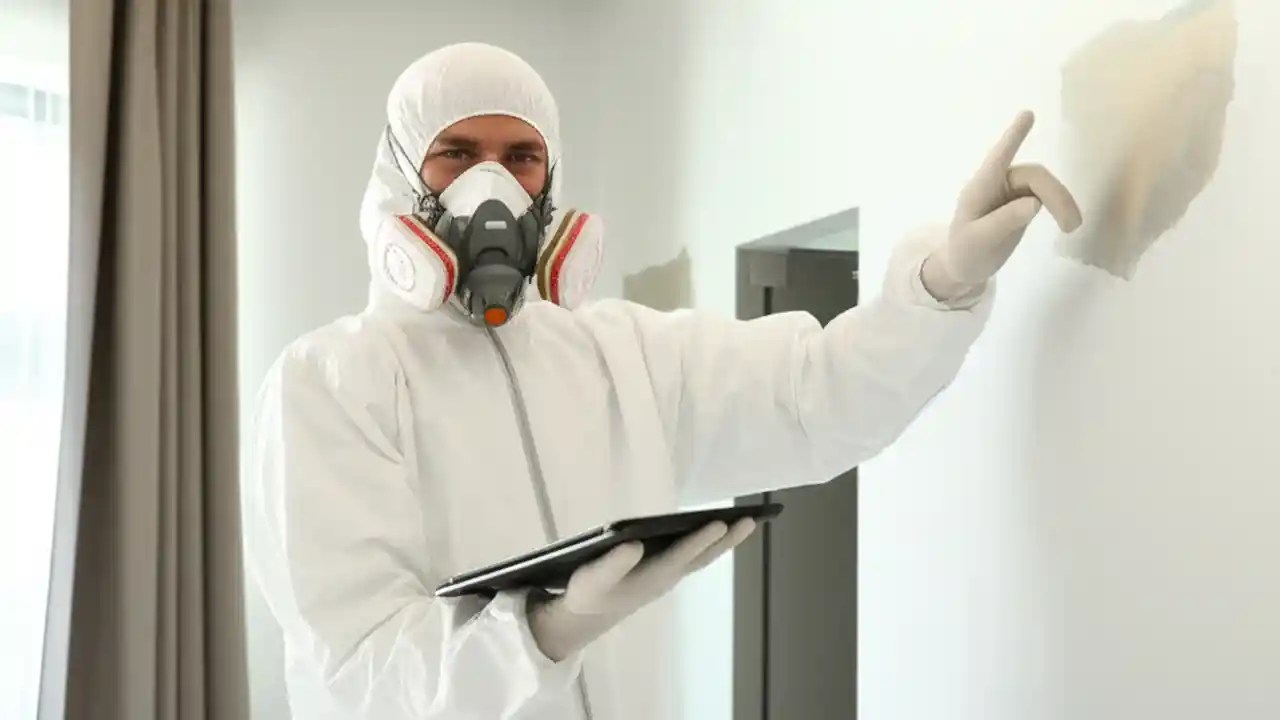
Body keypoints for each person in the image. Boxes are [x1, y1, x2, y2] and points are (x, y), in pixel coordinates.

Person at [244, 42, 1081, 720]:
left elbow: (817, 395)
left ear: (552, 182)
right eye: (456, 155)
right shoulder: (331, 383)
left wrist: (941, 281)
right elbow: (355, 671)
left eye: (522, 158)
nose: (490, 186)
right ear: (398, 178)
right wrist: (543, 631)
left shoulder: (619, 353)